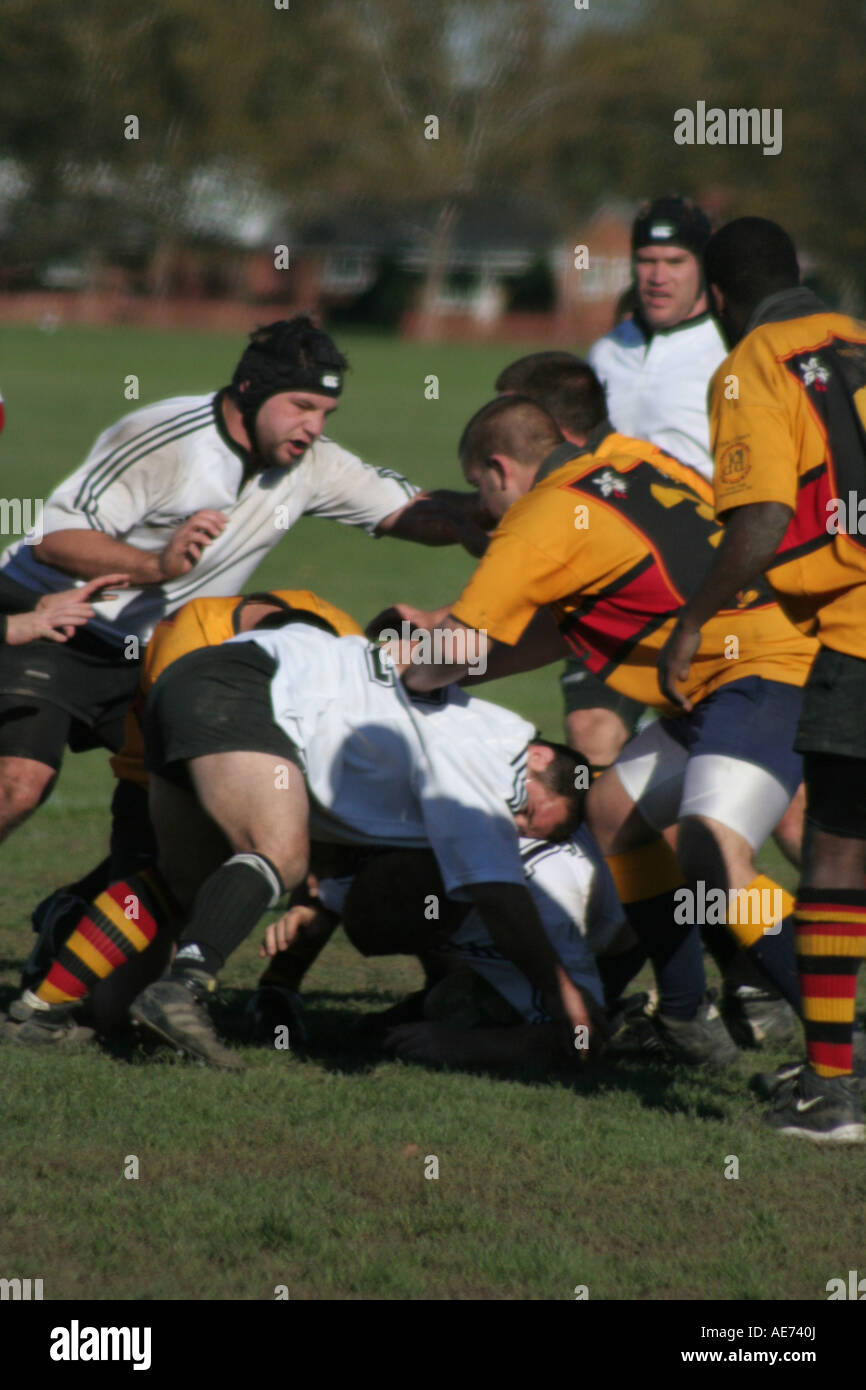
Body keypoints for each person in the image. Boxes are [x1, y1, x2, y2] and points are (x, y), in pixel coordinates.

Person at [379, 394, 817, 1064]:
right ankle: (682, 1020)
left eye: (479, 489)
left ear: (499, 469)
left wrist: (411, 675)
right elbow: (562, 627)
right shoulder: (633, 459)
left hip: (763, 676)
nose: (484, 509)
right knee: (615, 809)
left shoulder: (538, 518)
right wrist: (464, 670)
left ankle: (840, 1041)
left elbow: (457, 647)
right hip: (729, 677)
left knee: (711, 856)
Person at [0, 316, 486, 855]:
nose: (315, 427)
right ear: (250, 391)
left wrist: (500, 516)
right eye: (301, 407)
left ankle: (80, 920)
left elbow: (415, 513)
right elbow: (55, 538)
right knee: (18, 787)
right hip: (52, 625)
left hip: (153, 658)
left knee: (197, 820)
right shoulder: (166, 439)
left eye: (325, 413)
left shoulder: (312, 464)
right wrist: (155, 565)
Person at [127, 619, 597, 1069]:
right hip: (246, 687)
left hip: (194, 677)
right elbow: (497, 894)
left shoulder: (460, 738)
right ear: (539, 755)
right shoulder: (495, 756)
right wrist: (559, 995)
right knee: (280, 854)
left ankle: (55, 1005)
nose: (511, 825)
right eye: (528, 811)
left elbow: (343, 851)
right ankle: (180, 988)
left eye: (524, 830)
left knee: (181, 889)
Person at [658, 216, 866, 1141]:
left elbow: (762, 518)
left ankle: (829, 1091)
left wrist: (695, 621)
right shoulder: (860, 336)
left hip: (856, 635)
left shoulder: (752, 364)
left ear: (719, 301)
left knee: (833, 859)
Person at [3, 587, 363, 1046]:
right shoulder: (192, 634)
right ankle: (73, 914)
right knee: (116, 1011)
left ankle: (274, 990)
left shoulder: (341, 638)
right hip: (159, 776)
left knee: (314, 856)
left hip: (266, 764)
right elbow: (201, 744)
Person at [254, 827, 630, 1070]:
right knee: (441, 1003)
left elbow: (585, 1042)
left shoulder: (548, 909)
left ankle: (651, 1015)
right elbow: (330, 887)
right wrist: (304, 915)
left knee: (454, 1004)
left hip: (619, 942)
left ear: (439, 935)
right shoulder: (411, 851)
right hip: (474, 922)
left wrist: (464, 1045)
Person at [588, 195, 726, 484]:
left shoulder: (729, 355)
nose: (658, 276)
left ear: (703, 267)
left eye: (675, 261)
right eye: (646, 261)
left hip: (698, 524)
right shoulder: (606, 352)